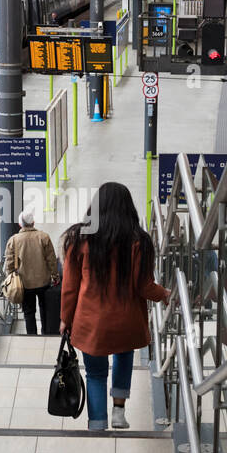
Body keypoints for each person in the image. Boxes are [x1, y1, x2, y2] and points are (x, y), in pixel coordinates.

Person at [60, 182, 172, 430]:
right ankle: (119, 411)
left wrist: (65, 319)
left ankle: (97, 424)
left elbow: (70, 287)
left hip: (91, 323)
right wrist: (164, 293)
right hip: (126, 320)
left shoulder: (79, 238)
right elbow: (144, 286)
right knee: (124, 355)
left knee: (95, 373)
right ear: (127, 208)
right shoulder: (139, 241)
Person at [4, 211, 58, 336]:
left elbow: (9, 265)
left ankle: (32, 335)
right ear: (33, 222)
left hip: (24, 284)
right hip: (43, 282)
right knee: (45, 310)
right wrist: (55, 275)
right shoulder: (43, 237)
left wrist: (11, 277)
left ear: (20, 224)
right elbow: (51, 260)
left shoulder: (13, 240)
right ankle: (46, 333)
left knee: (29, 312)